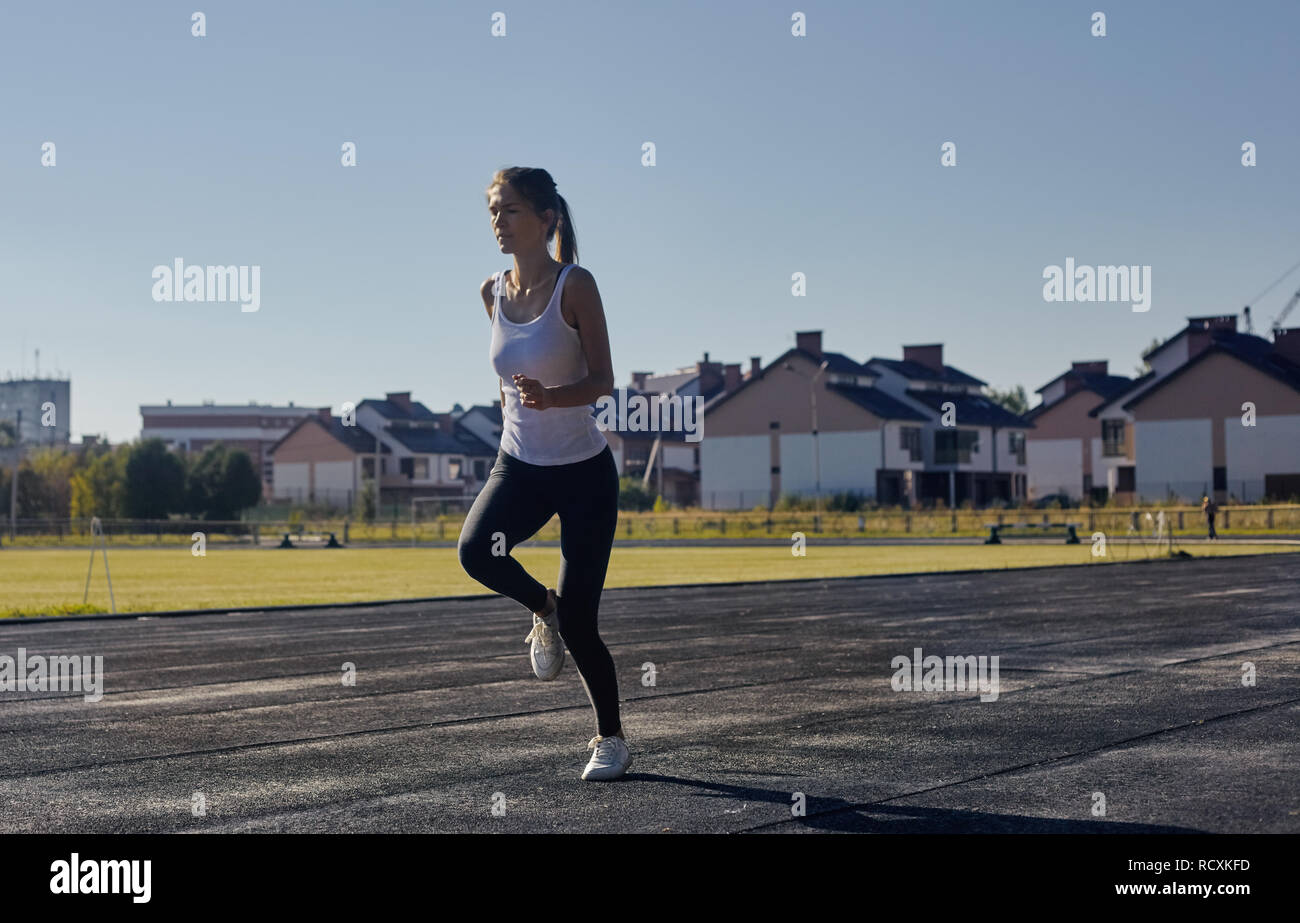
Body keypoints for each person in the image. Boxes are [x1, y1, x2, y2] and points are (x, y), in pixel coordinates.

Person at [457, 167, 630, 781]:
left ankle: (610, 738)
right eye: (493, 212)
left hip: (582, 472)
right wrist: (518, 406)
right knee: (477, 552)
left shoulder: (575, 286)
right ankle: (542, 606)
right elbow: (507, 376)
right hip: (520, 466)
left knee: (585, 623)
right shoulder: (491, 292)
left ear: (546, 218)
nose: (497, 222)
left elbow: (604, 380)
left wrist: (552, 398)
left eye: (509, 211)